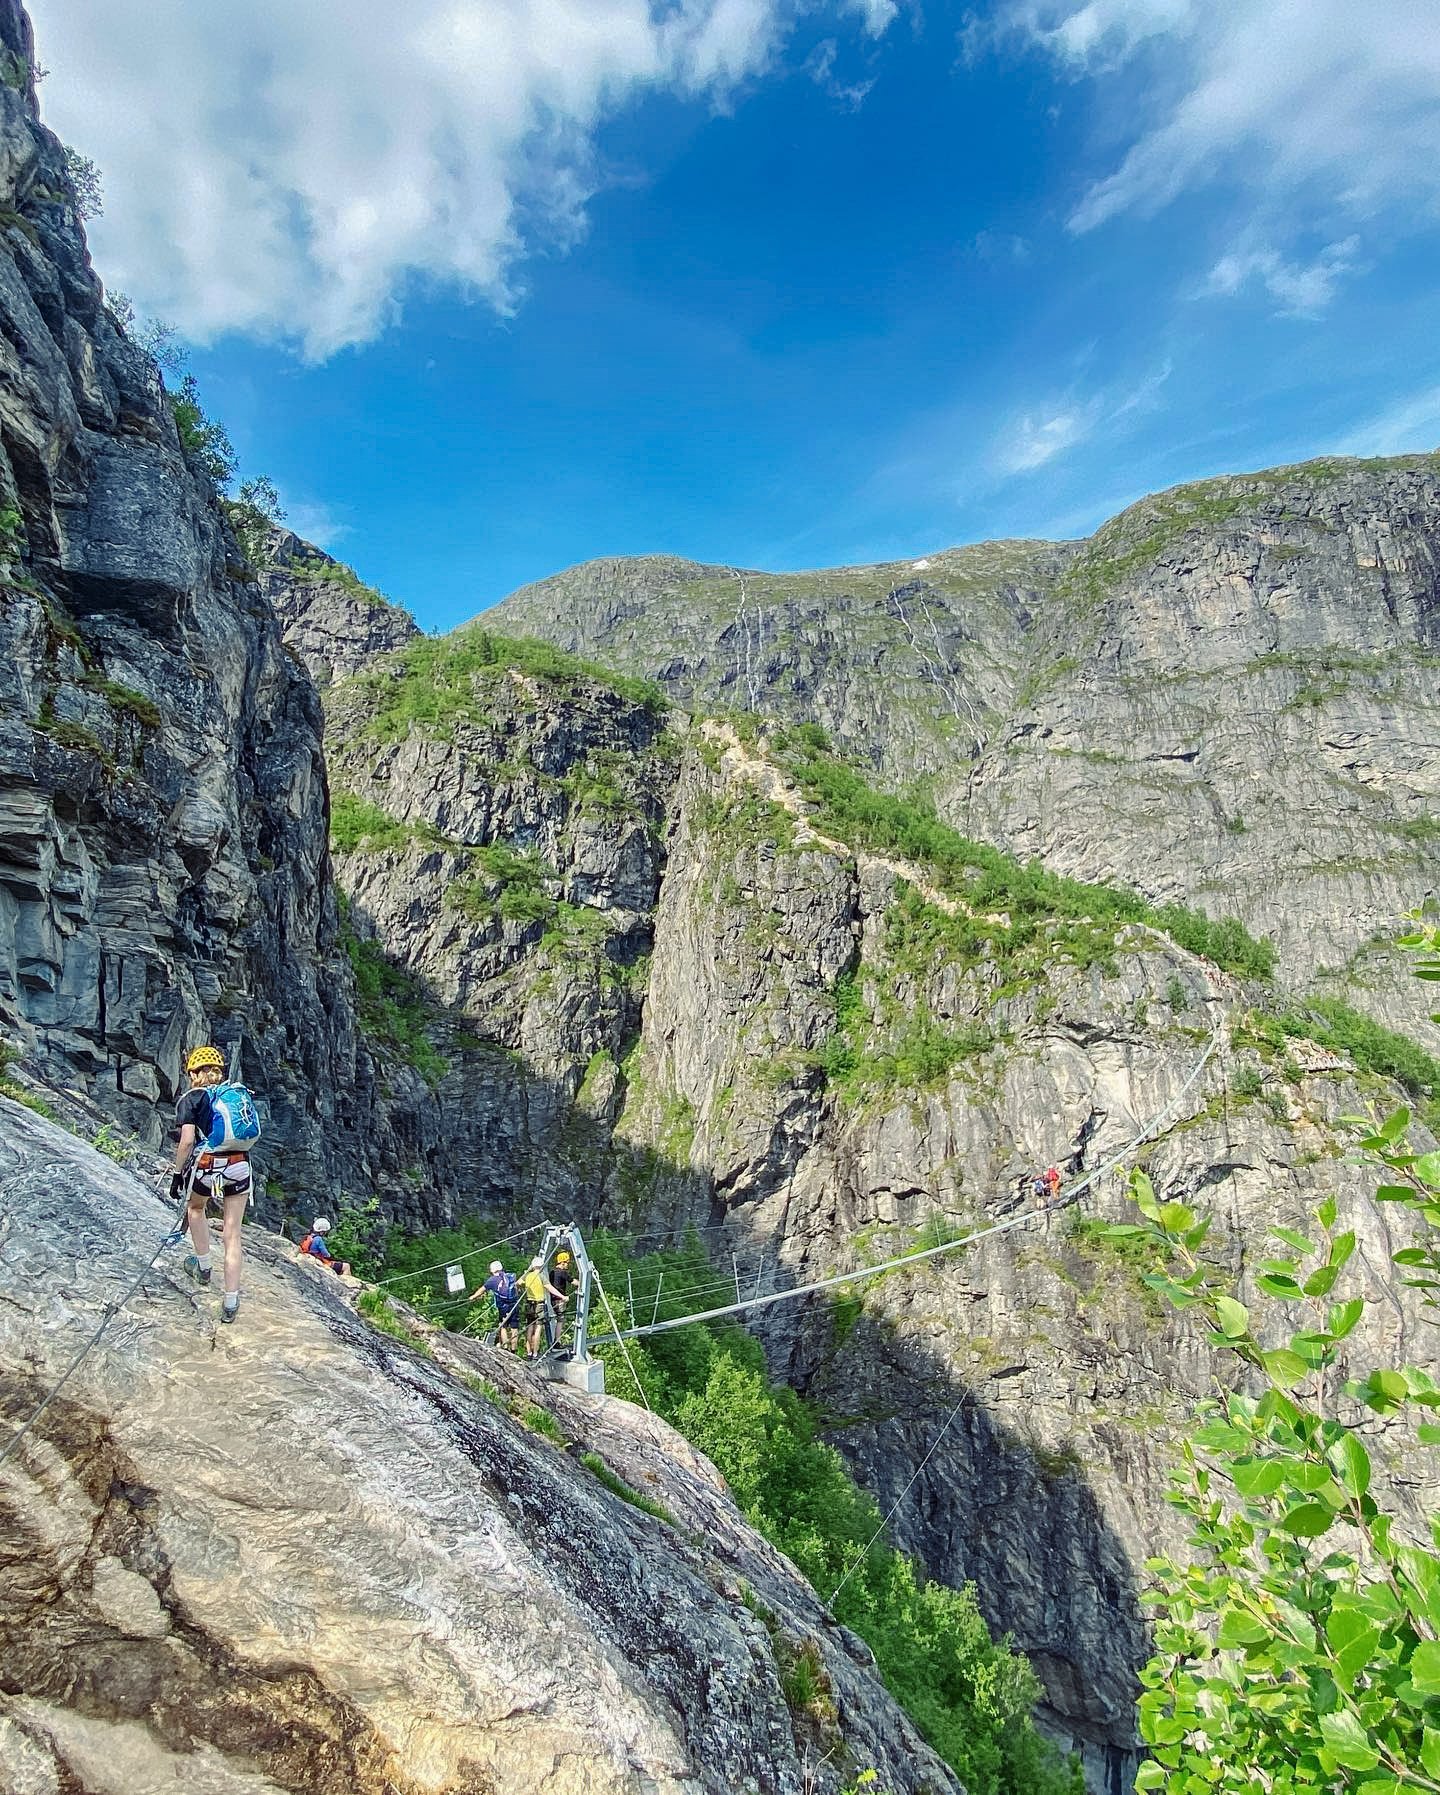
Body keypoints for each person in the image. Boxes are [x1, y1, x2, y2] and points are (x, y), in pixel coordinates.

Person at [170, 1044, 250, 1324]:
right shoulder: (234, 1094)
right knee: (232, 1233)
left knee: (195, 1208)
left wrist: (178, 1175)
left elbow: (188, 1141)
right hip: (240, 1164)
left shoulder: (191, 1098)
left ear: (193, 1073)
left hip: (208, 1165)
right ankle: (230, 1302)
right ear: (218, 1072)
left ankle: (203, 1268)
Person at [518, 1255, 565, 1360]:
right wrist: (562, 1297)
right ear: (541, 1266)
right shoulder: (541, 1276)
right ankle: (535, 1353)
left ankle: (529, 1352)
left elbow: (518, 1283)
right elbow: (550, 1288)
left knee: (530, 1327)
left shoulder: (527, 1276)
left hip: (529, 1303)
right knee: (538, 1328)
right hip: (539, 1304)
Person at [475, 1259, 522, 1351]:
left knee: (503, 1326)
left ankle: (505, 1347)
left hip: (503, 1306)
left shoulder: (492, 1280)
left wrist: (473, 1297)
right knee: (514, 1328)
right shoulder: (510, 1276)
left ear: (492, 1270)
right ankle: (514, 1349)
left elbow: (482, 1290)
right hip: (514, 1304)